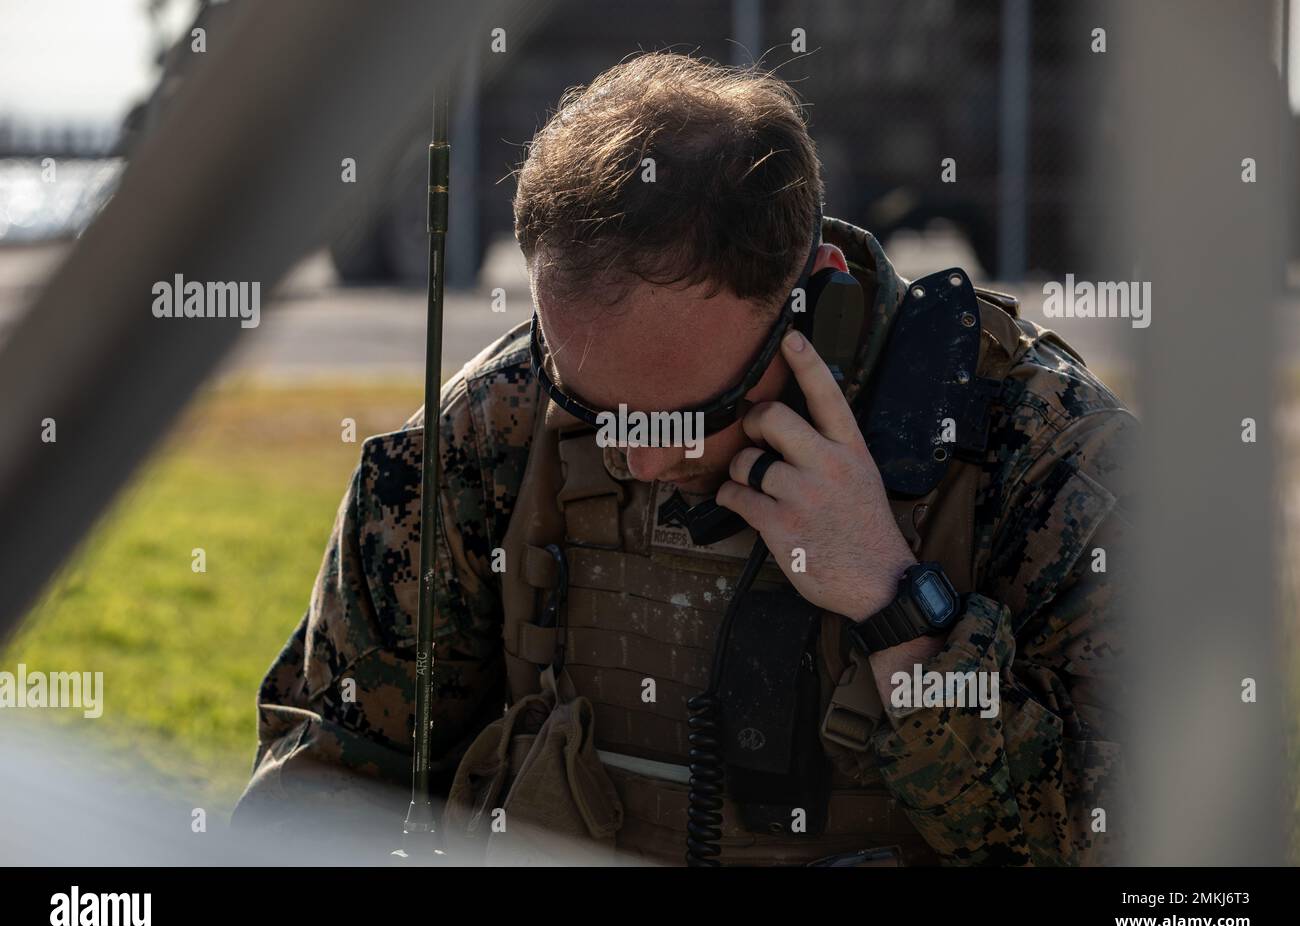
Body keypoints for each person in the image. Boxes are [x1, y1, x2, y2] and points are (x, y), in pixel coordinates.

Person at [233, 52, 1135, 866]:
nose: (638, 459)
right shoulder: (488, 431)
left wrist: (897, 608)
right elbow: (315, 805)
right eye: (588, 403)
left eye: (681, 415)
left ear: (816, 300)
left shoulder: (1045, 458)